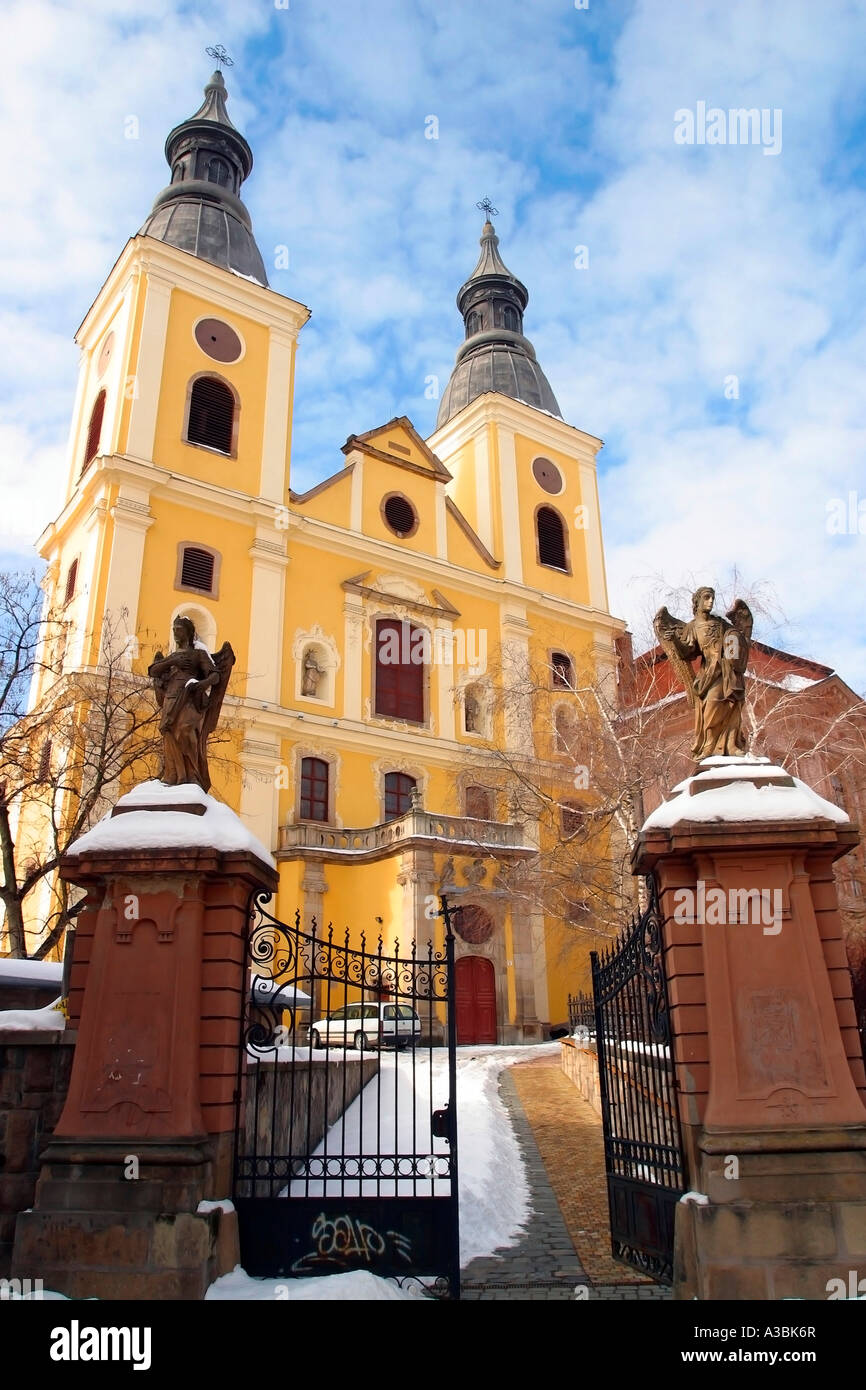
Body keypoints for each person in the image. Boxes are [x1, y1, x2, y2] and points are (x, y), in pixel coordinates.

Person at [148, 617, 220, 789]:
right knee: (169, 733)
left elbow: (215, 675)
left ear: (188, 632)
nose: (175, 633)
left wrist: (202, 684)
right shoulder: (172, 657)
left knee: (186, 730)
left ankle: (193, 775)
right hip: (171, 698)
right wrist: (173, 661)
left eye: (179, 629)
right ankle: (173, 775)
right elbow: (153, 671)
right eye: (174, 629)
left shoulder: (198, 654)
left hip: (189, 698)